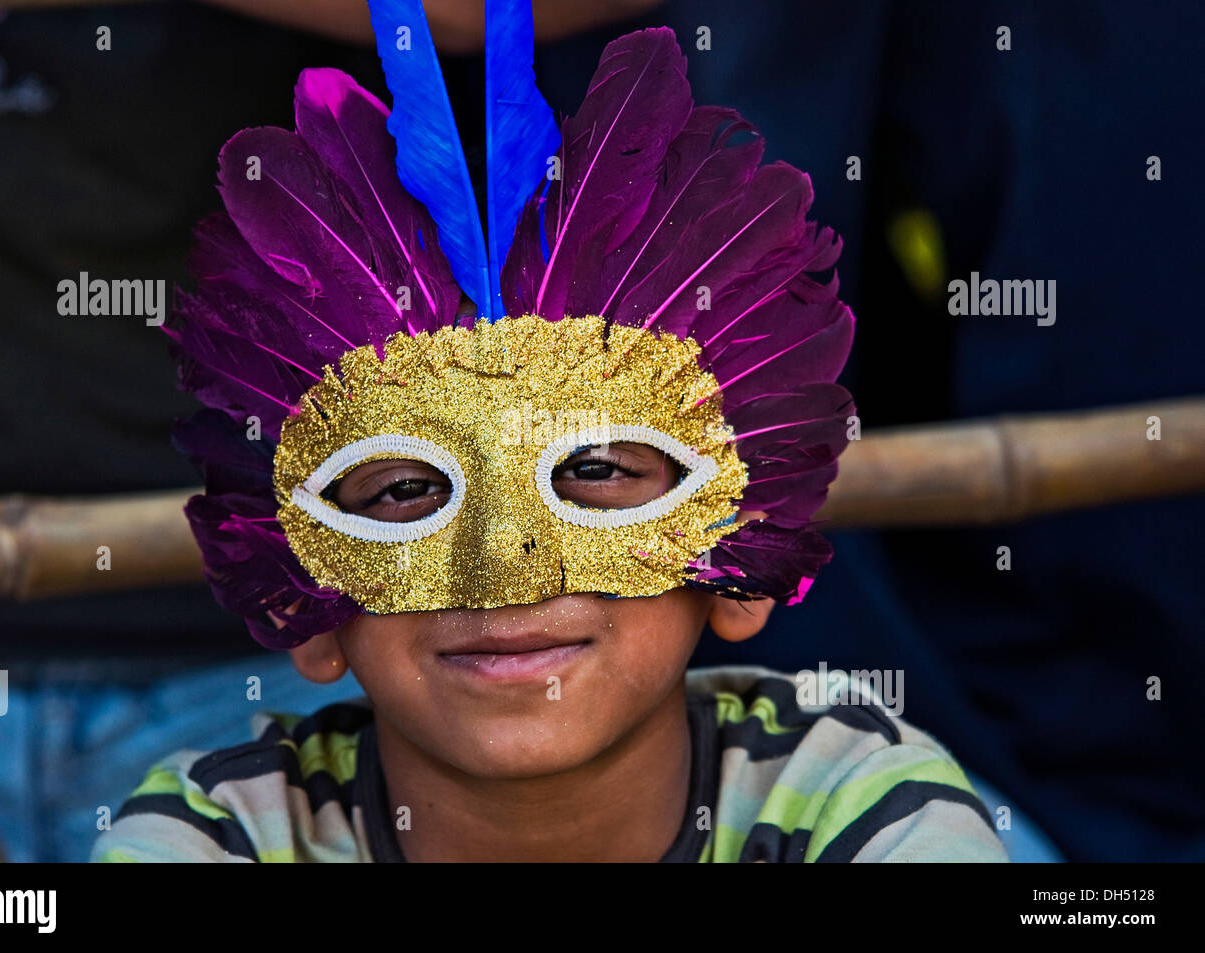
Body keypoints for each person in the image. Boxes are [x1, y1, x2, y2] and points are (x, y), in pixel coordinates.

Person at [91, 7, 1008, 862]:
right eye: (403, 490)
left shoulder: (867, 805)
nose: (500, 564)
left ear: (743, 547)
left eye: (597, 469)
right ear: (303, 593)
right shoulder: (211, 835)